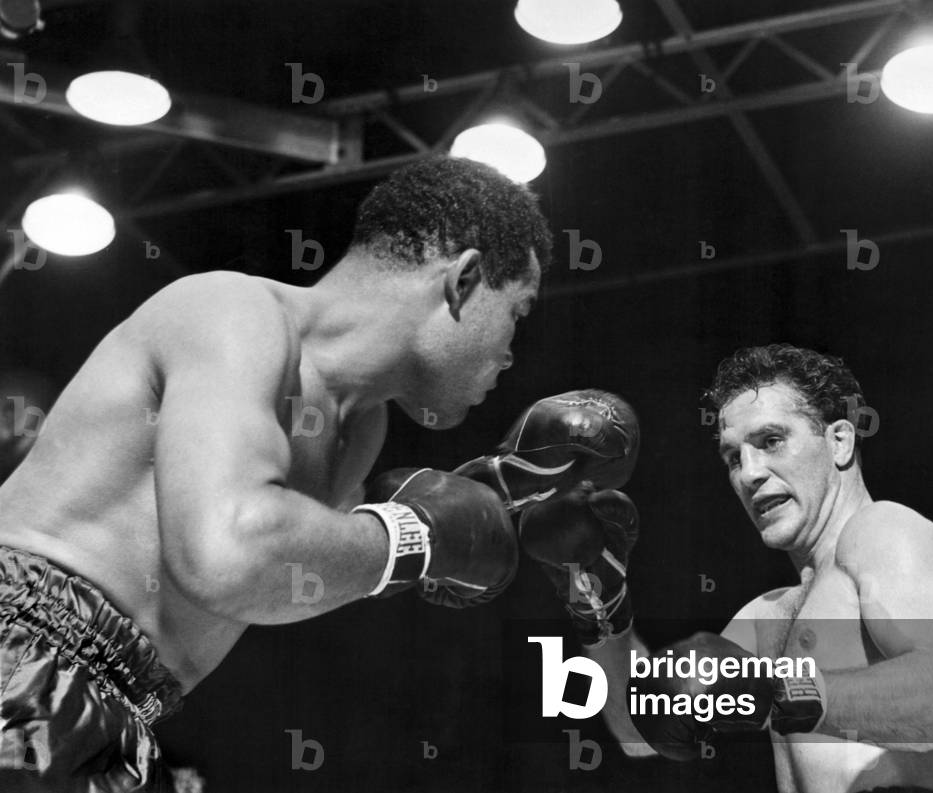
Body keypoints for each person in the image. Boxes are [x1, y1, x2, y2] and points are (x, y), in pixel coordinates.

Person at [0, 155, 564, 791]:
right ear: (463, 280)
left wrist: (482, 518)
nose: (513, 351)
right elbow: (230, 555)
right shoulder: (234, 312)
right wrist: (417, 539)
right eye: (517, 311)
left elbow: (287, 576)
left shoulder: (361, 428)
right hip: (23, 657)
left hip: (123, 715)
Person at [525, 344, 933, 793]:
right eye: (733, 457)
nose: (749, 474)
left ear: (840, 441)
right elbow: (640, 729)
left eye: (771, 441)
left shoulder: (884, 531)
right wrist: (600, 601)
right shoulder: (767, 615)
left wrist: (784, 689)